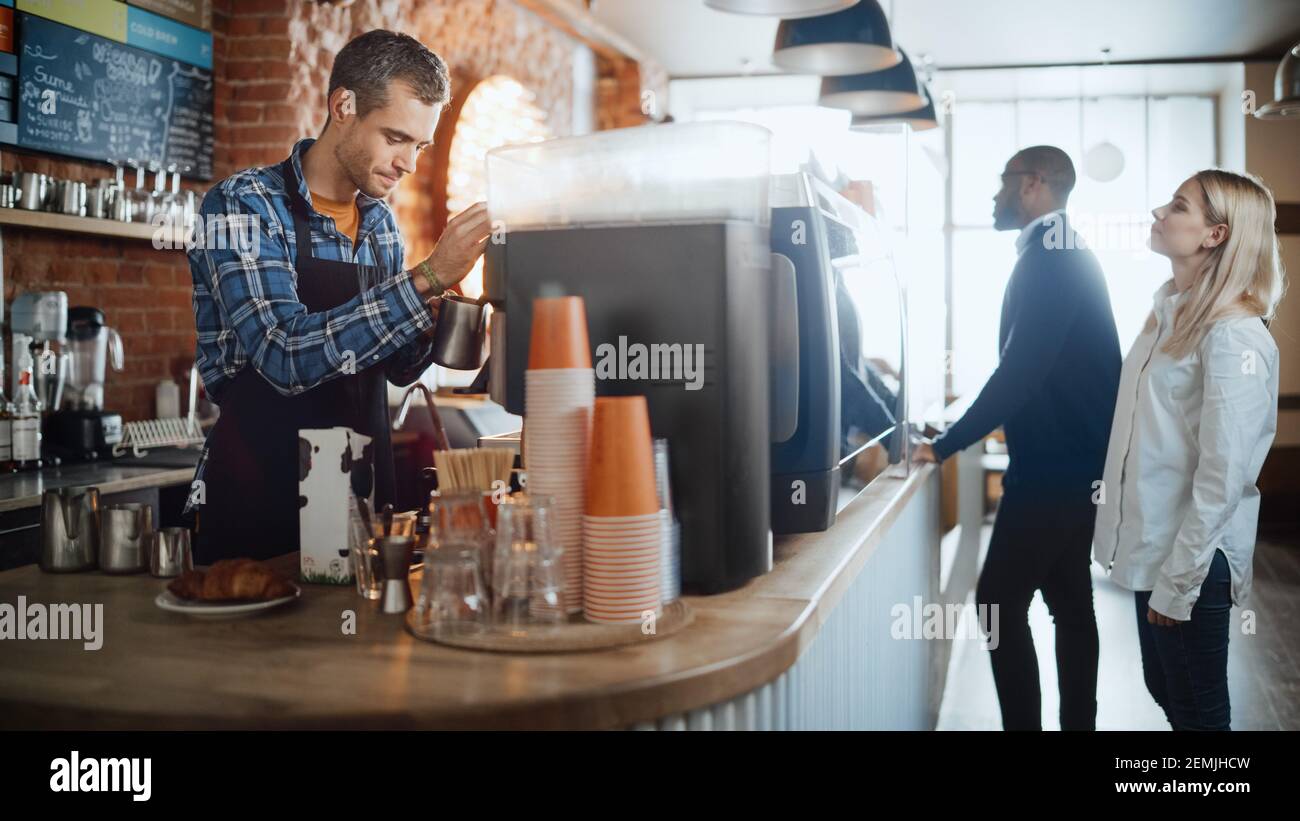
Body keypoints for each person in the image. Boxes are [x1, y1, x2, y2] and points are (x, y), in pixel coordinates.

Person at [185, 30, 492, 563]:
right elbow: (283, 356)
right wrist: (422, 280)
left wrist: (443, 308)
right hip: (260, 501)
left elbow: (395, 367)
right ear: (343, 105)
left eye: (419, 146)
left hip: (359, 494)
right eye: (395, 138)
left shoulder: (381, 226)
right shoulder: (243, 205)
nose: (409, 164)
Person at [914, 146, 1121, 730]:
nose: (994, 195)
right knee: (1070, 604)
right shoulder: (1061, 252)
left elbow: (1021, 370)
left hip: (1055, 473)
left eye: (1002, 182)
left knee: (999, 603)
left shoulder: (1051, 259)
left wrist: (945, 444)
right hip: (1077, 469)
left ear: (1033, 184)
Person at [1094, 170, 1284, 731]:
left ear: (1215, 235)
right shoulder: (1167, 315)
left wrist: (1180, 583)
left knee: (1200, 716)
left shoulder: (1235, 336)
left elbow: (1223, 475)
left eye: (1178, 206)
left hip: (1193, 560)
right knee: (1169, 692)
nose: (1159, 212)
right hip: (1155, 546)